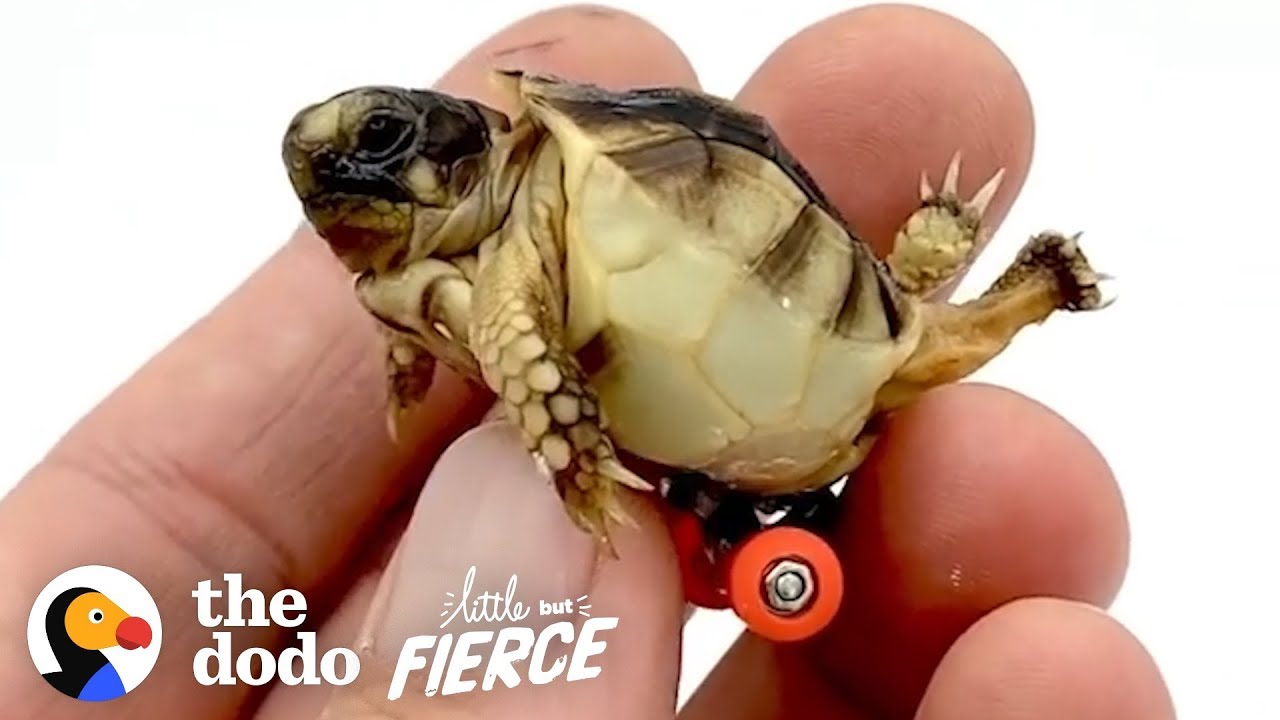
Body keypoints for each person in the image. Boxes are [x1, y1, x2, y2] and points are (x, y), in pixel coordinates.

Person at [0, 5, 1174, 719]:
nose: (342, 178)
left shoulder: (529, 206)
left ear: (457, 142)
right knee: (889, 369)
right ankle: (969, 294)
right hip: (742, 446)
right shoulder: (419, 295)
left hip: (770, 332)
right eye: (324, 173)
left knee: (898, 351)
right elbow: (451, 326)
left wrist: (554, 442)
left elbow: (513, 324)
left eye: (376, 143)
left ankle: (1016, 287)